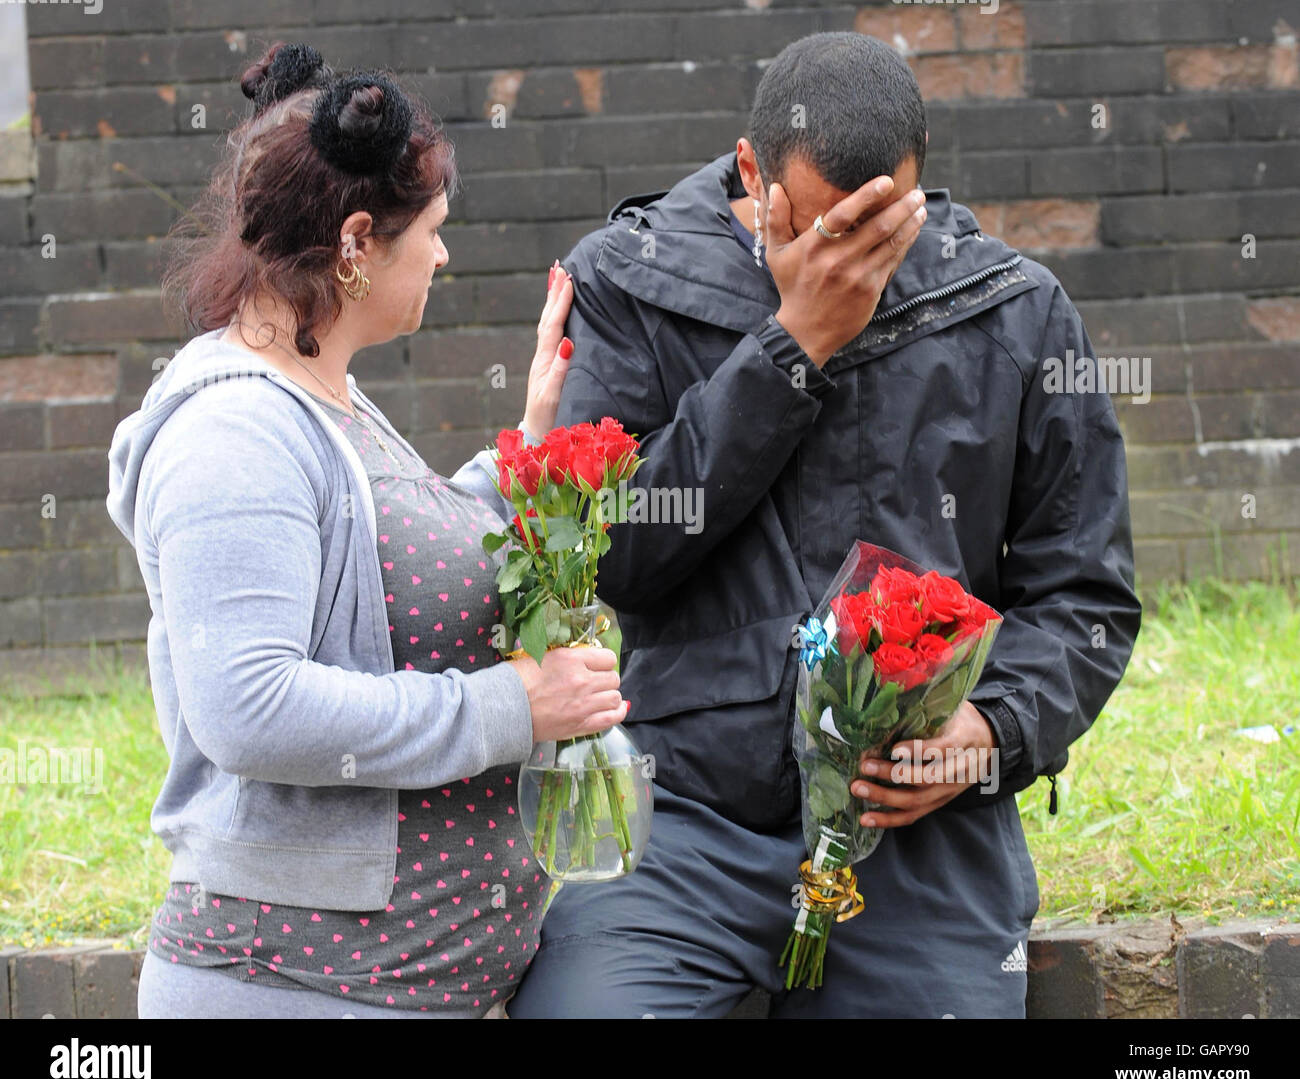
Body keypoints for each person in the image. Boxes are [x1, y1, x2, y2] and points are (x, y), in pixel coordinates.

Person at [506, 31, 1142, 1019]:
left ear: (917, 187)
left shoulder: (1013, 312)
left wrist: (992, 727)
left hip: (919, 848)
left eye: (876, 225)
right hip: (683, 825)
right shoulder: (630, 283)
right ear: (751, 170)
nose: (840, 254)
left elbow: (1082, 592)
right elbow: (611, 555)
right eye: (809, 225)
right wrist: (790, 347)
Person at [108, 42, 628, 1019]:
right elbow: (250, 707)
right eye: (429, 230)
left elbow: (407, 544)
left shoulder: (321, 396)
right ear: (356, 241)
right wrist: (513, 706)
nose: (442, 253)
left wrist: (530, 439)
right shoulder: (233, 431)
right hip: (294, 990)